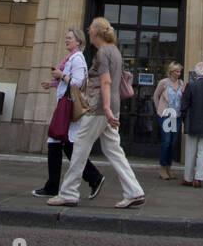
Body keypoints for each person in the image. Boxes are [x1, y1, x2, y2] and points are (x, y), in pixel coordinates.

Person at [49, 17, 145, 208]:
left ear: (96, 32)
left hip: (99, 109)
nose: (88, 30)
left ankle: (68, 192)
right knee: (114, 150)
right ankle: (134, 191)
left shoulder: (103, 53)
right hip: (109, 108)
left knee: (80, 147)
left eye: (90, 28)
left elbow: (106, 82)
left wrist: (106, 110)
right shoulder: (115, 52)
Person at [34, 27, 103, 198]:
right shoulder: (71, 58)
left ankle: (54, 186)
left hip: (69, 108)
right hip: (66, 107)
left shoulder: (78, 59)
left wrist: (61, 75)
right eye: (66, 38)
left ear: (78, 41)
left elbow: (78, 83)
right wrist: (51, 83)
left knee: (56, 142)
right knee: (67, 146)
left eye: (70, 38)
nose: (66, 40)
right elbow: (68, 83)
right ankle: (93, 177)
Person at [153, 61, 185, 180]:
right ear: (171, 71)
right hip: (166, 116)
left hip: (176, 116)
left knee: (173, 142)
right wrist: (159, 110)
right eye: (176, 71)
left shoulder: (181, 83)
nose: (178, 73)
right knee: (166, 141)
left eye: (179, 71)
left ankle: (168, 167)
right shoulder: (164, 83)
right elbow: (155, 96)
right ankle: (162, 167)